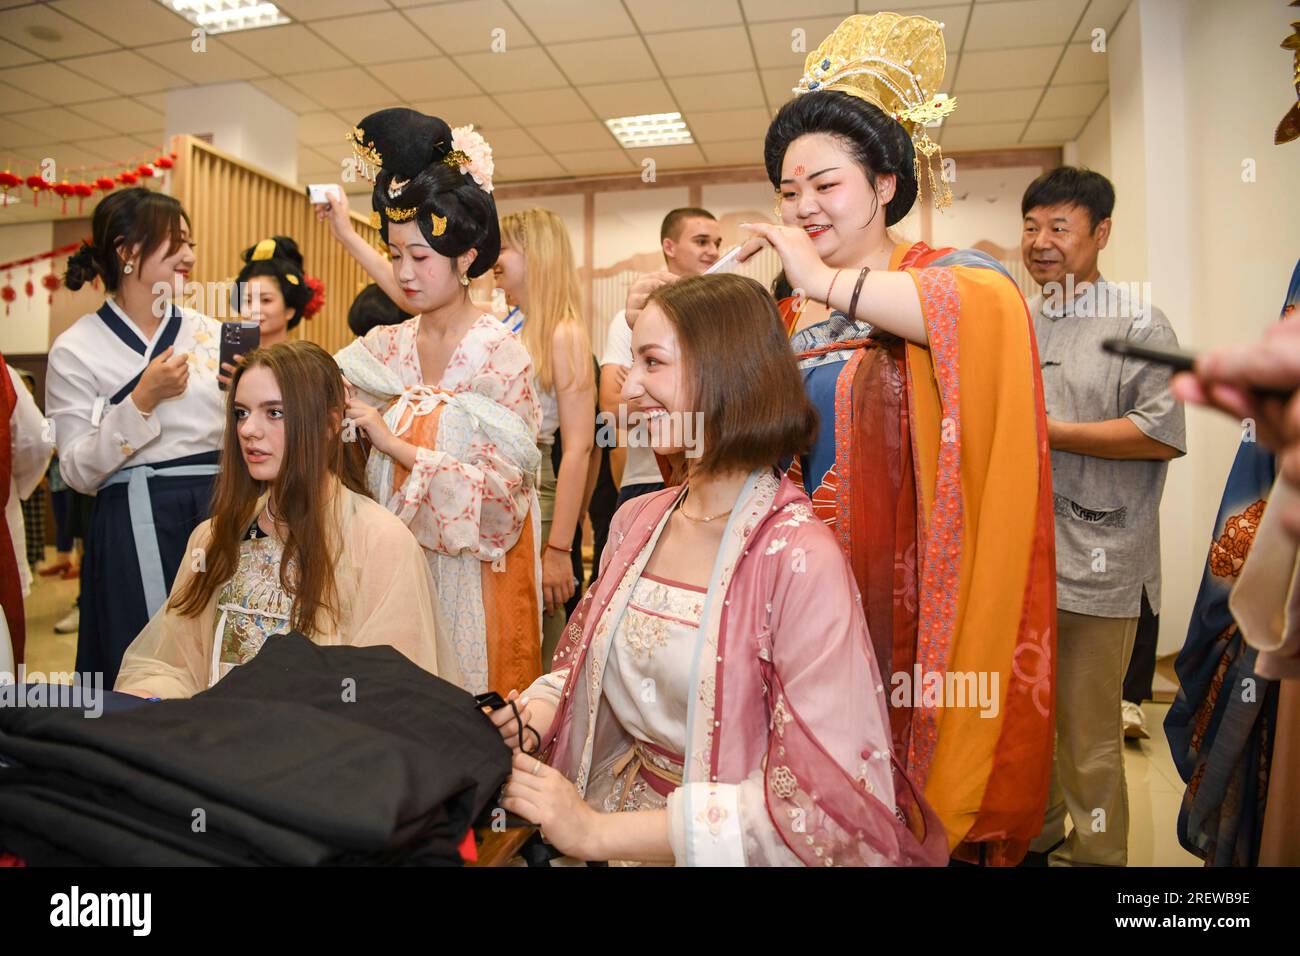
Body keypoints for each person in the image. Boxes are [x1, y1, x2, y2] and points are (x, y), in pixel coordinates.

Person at [655, 12, 1053, 866]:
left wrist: (823, 278)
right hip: (788, 586)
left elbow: (984, 320)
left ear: (884, 184)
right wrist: (680, 345)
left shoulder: (950, 278)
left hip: (900, 592)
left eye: (825, 185)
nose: (803, 206)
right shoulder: (784, 314)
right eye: (788, 191)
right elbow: (716, 449)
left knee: (892, 777)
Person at [490, 273, 946, 866]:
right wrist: (531, 716)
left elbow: (820, 805)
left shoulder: (798, 558)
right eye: (634, 362)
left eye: (653, 362)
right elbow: (589, 671)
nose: (629, 389)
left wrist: (595, 833)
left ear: (724, 372)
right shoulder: (637, 521)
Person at [331, 108, 541, 697]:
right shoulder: (385, 348)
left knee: (460, 713)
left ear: (466, 257)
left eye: (420, 257)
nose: (404, 273)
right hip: (389, 575)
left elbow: (504, 503)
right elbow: (326, 397)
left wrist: (395, 446)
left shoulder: (500, 357)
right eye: (395, 254)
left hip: (475, 580)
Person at [115, 341, 447, 698]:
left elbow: (390, 691)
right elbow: (173, 664)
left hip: (324, 733)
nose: (248, 430)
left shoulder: (381, 542)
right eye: (241, 412)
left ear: (330, 423)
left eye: (274, 413)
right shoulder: (212, 538)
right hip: (215, 730)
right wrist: (153, 698)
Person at [1018, 166, 1186, 866]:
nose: (1041, 241)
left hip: (1100, 564)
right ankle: (1039, 842)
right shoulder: (1020, 318)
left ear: (1101, 233)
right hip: (1026, 561)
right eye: (1031, 226)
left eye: (1059, 227)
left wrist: (1052, 433)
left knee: (1089, 739)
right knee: (1031, 729)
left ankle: (1097, 860)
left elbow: (1160, 433)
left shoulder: (1139, 322)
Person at [47, 187, 224, 687]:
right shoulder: (75, 349)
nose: (189, 256)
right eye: (175, 242)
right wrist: (140, 402)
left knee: (218, 658)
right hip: (131, 520)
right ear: (126, 251)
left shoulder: (213, 333)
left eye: (190, 243)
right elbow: (77, 471)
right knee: (140, 669)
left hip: (218, 512)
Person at [495, 208, 595, 668]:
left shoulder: (565, 333)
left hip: (537, 487)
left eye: (503, 249)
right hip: (498, 486)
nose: (493, 261)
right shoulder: (510, 324)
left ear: (534, 254)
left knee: (537, 632)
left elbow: (579, 448)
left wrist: (559, 550)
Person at [600, 208, 721, 511]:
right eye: (701, 241)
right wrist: (673, 401)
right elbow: (612, 411)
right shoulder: (631, 320)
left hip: (714, 473)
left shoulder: (724, 321)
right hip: (648, 477)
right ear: (670, 247)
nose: (713, 251)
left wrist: (658, 397)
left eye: (717, 243)